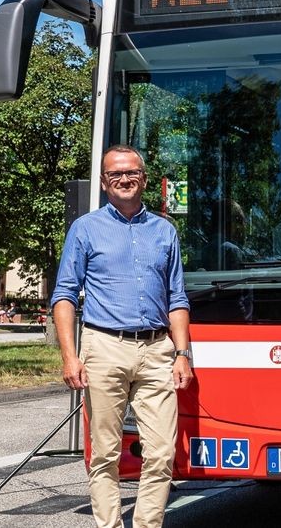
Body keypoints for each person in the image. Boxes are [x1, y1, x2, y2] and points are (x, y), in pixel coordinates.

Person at [51, 144, 193, 528]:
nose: (124, 179)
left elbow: (177, 298)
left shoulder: (165, 230)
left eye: (131, 172)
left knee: (161, 453)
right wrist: (69, 356)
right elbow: (64, 295)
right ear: (104, 182)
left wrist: (183, 354)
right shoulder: (85, 229)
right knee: (105, 454)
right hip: (104, 346)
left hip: (158, 349)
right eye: (115, 174)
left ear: (144, 179)